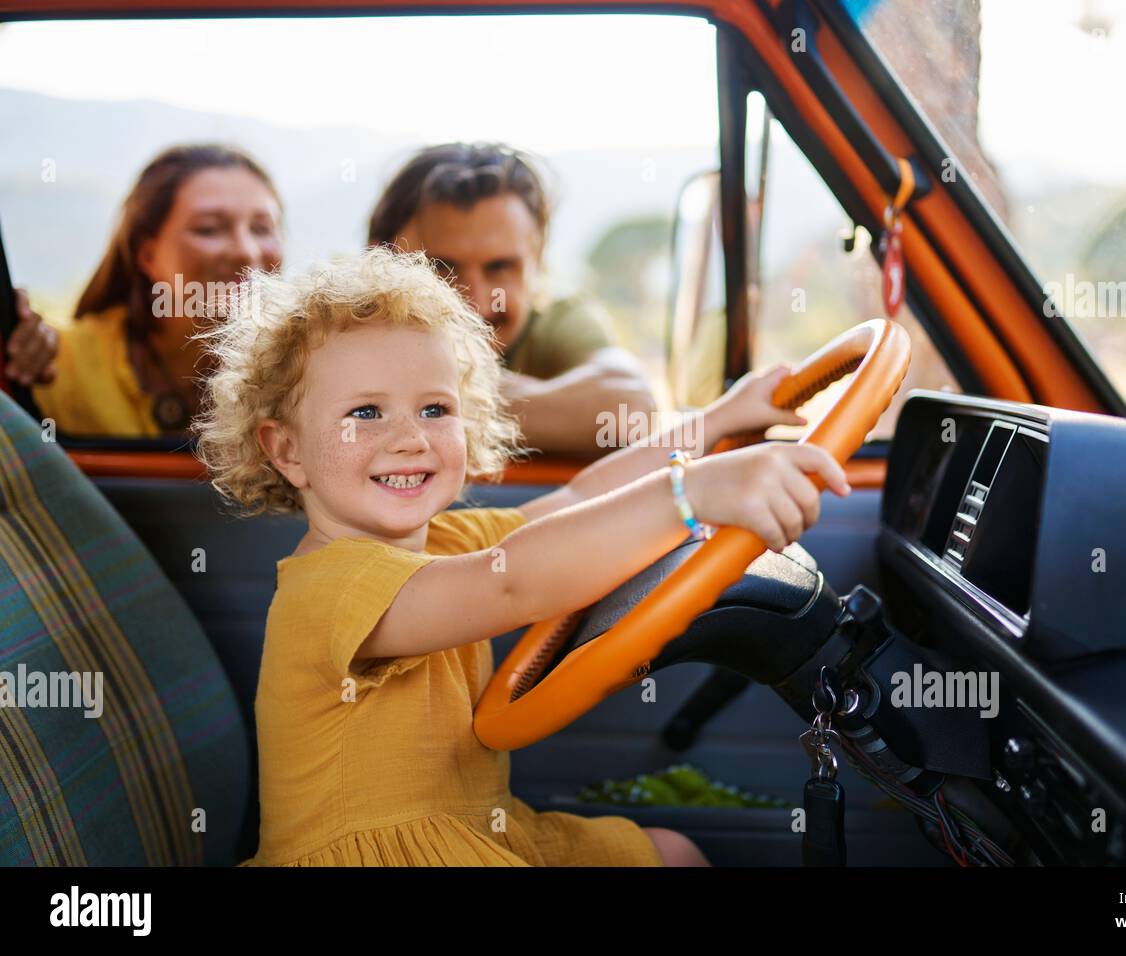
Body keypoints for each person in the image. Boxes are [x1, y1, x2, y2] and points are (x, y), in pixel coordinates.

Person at [192, 247, 840, 867]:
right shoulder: (329, 587)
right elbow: (515, 587)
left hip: (476, 829)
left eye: (434, 408)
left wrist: (716, 422)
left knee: (669, 852)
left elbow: (581, 497)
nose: (411, 437)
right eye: (366, 412)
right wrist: (690, 494)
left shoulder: (444, 543)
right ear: (287, 450)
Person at [368, 142, 657, 457]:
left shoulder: (555, 321)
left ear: (538, 265)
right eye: (441, 268)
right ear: (382, 259)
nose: (475, 302)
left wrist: (424, 399)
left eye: (500, 267)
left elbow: (631, 409)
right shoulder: (336, 332)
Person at [22, 144, 283, 436]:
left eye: (261, 229)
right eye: (209, 229)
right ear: (147, 255)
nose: (245, 251)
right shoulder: (57, 367)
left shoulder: (299, 373)